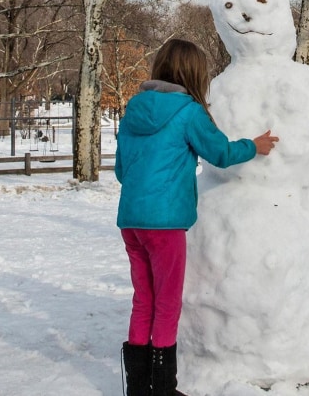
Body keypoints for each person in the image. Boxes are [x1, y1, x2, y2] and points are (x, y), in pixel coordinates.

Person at [115, 39, 278, 396]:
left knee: (143, 300)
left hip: (131, 221)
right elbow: (219, 152)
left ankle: (139, 389)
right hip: (166, 223)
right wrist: (254, 145)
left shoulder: (133, 110)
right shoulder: (188, 112)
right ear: (194, 73)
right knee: (167, 303)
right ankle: (163, 389)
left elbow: (121, 171)